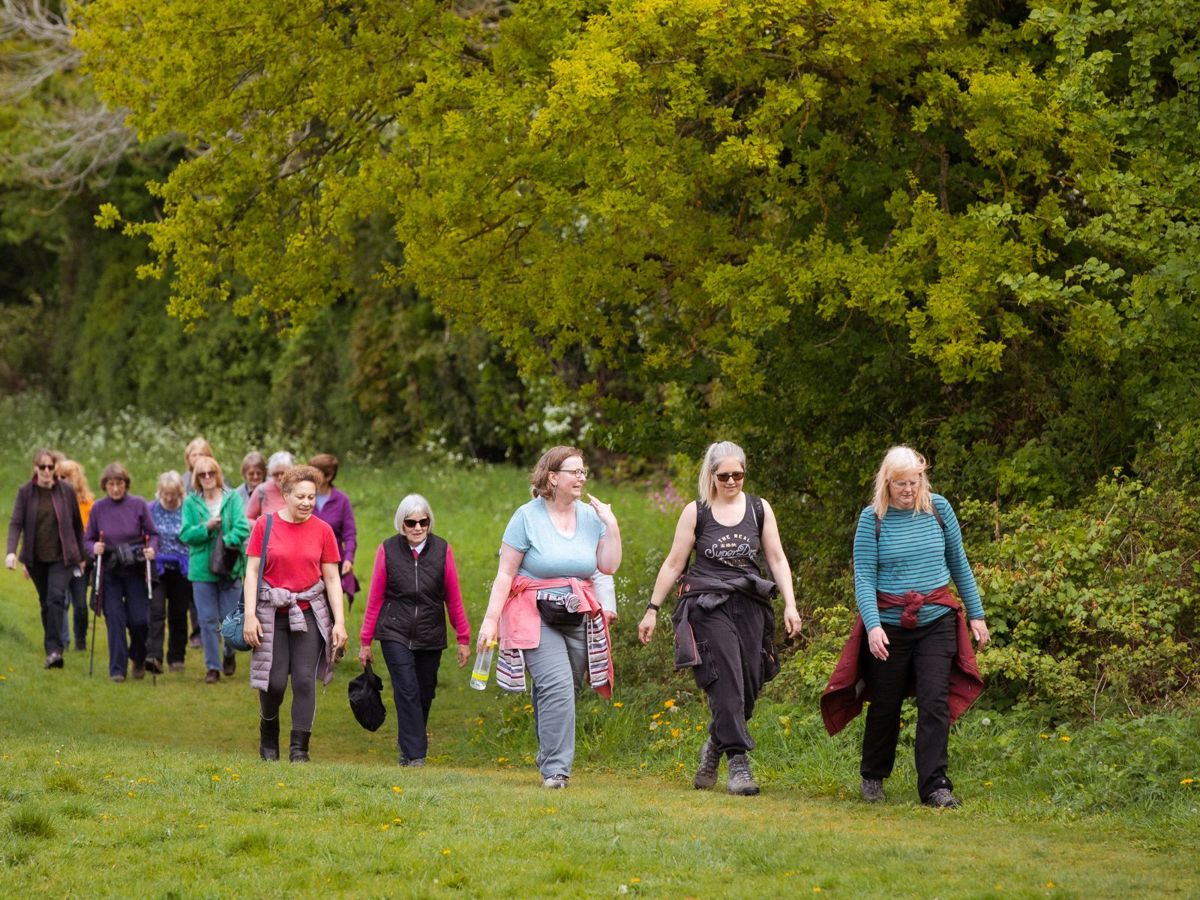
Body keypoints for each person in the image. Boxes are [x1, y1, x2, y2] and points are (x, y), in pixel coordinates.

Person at [821, 445, 989, 809]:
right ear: (887, 482)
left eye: (915, 481)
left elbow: (958, 562)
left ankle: (934, 786)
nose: (909, 490)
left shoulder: (939, 509)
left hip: (936, 620)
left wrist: (976, 615)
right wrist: (873, 626)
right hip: (890, 625)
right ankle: (873, 777)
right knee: (885, 703)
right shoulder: (872, 519)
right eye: (901, 483)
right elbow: (864, 577)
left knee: (935, 702)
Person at [638, 441, 802, 796]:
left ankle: (714, 745)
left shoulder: (759, 509)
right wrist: (652, 608)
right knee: (727, 678)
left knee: (750, 684)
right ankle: (738, 763)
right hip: (707, 605)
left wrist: (790, 603)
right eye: (724, 475)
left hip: (750, 605)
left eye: (737, 475)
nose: (731, 481)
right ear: (711, 476)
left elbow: (776, 558)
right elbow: (673, 563)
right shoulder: (696, 512)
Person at [476, 446, 621, 789]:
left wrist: (611, 524)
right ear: (553, 477)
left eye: (584, 472)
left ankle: (548, 755)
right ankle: (556, 771)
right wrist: (490, 621)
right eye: (575, 472)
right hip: (533, 612)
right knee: (556, 685)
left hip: (577, 612)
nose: (582, 478)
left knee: (563, 689)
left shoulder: (590, 518)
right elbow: (504, 575)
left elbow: (608, 566)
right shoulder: (526, 517)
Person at [243, 465, 348, 762]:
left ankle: (299, 750)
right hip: (271, 612)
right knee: (274, 682)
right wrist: (250, 615)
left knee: (304, 680)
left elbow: (331, 578)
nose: (306, 502)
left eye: (311, 497)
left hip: (309, 614)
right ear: (285, 495)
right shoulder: (265, 525)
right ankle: (268, 732)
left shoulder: (323, 530)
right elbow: (251, 571)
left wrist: (339, 622)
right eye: (300, 496)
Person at [358, 494, 471, 766]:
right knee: (406, 689)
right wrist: (365, 640)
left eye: (424, 521)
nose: (418, 528)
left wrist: (463, 637)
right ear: (402, 524)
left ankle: (409, 745)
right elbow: (375, 597)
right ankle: (415, 754)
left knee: (424, 692)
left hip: (430, 632)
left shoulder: (443, 550)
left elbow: (453, 597)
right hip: (394, 631)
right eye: (411, 522)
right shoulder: (388, 549)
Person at [6, 448, 85, 668]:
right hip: (36, 558)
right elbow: (15, 523)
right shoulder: (25, 492)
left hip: (62, 557)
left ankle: (54, 651)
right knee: (45, 603)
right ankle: (53, 647)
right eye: (43, 467)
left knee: (56, 598)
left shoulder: (66, 491)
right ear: (35, 468)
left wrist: (81, 556)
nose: (47, 471)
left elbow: (77, 524)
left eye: (51, 467)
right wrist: (11, 552)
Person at [83, 463, 159, 682]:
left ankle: (138, 657)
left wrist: (151, 548)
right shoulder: (98, 508)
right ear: (105, 486)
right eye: (111, 484)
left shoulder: (138, 505)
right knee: (114, 617)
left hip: (135, 569)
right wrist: (93, 548)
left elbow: (152, 533)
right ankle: (117, 669)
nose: (115, 489)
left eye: (119, 484)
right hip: (110, 570)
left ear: (126, 484)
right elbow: (88, 538)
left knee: (139, 620)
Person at [180, 457, 250, 683]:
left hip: (229, 566)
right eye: (202, 474)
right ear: (196, 478)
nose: (208, 477)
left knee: (229, 619)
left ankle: (229, 653)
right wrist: (207, 528)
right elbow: (186, 534)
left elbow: (242, 527)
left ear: (218, 474)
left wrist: (226, 540)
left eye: (211, 472)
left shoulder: (232, 498)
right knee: (207, 619)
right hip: (201, 569)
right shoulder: (191, 502)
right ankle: (212, 667)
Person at [148, 471, 193, 674]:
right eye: (165, 493)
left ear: (180, 493)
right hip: (158, 567)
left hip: (182, 569)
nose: (168, 498)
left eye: (172, 494)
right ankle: (154, 655)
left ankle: (176, 657)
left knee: (178, 613)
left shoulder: (187, 509)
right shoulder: (151, 509)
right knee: (156, 611)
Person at [310, 453, 360, 612]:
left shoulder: (342, 500)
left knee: (330, 610)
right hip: (307, 560)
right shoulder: (304, 497)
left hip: (332, 561)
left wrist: (348, 558)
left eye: (315, 473)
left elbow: (350, 534)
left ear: (329, 476)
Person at [55, 459, 94, 651]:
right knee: (60, 601)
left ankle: (81, 638)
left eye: (66, 476)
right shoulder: (53, 499)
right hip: (60, 560)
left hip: (81, 561)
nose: (62, 480)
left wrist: (85, 560)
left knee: (80, 604)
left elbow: (90, 534)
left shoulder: (88, 504)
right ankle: (62, 641)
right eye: (60, 476)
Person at [245, 451, 293, 521]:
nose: (280, 477)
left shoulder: (298, 488)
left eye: (283, 473)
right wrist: (263, 527)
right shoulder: (262, 490)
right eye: (276, 474)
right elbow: (247, 518)